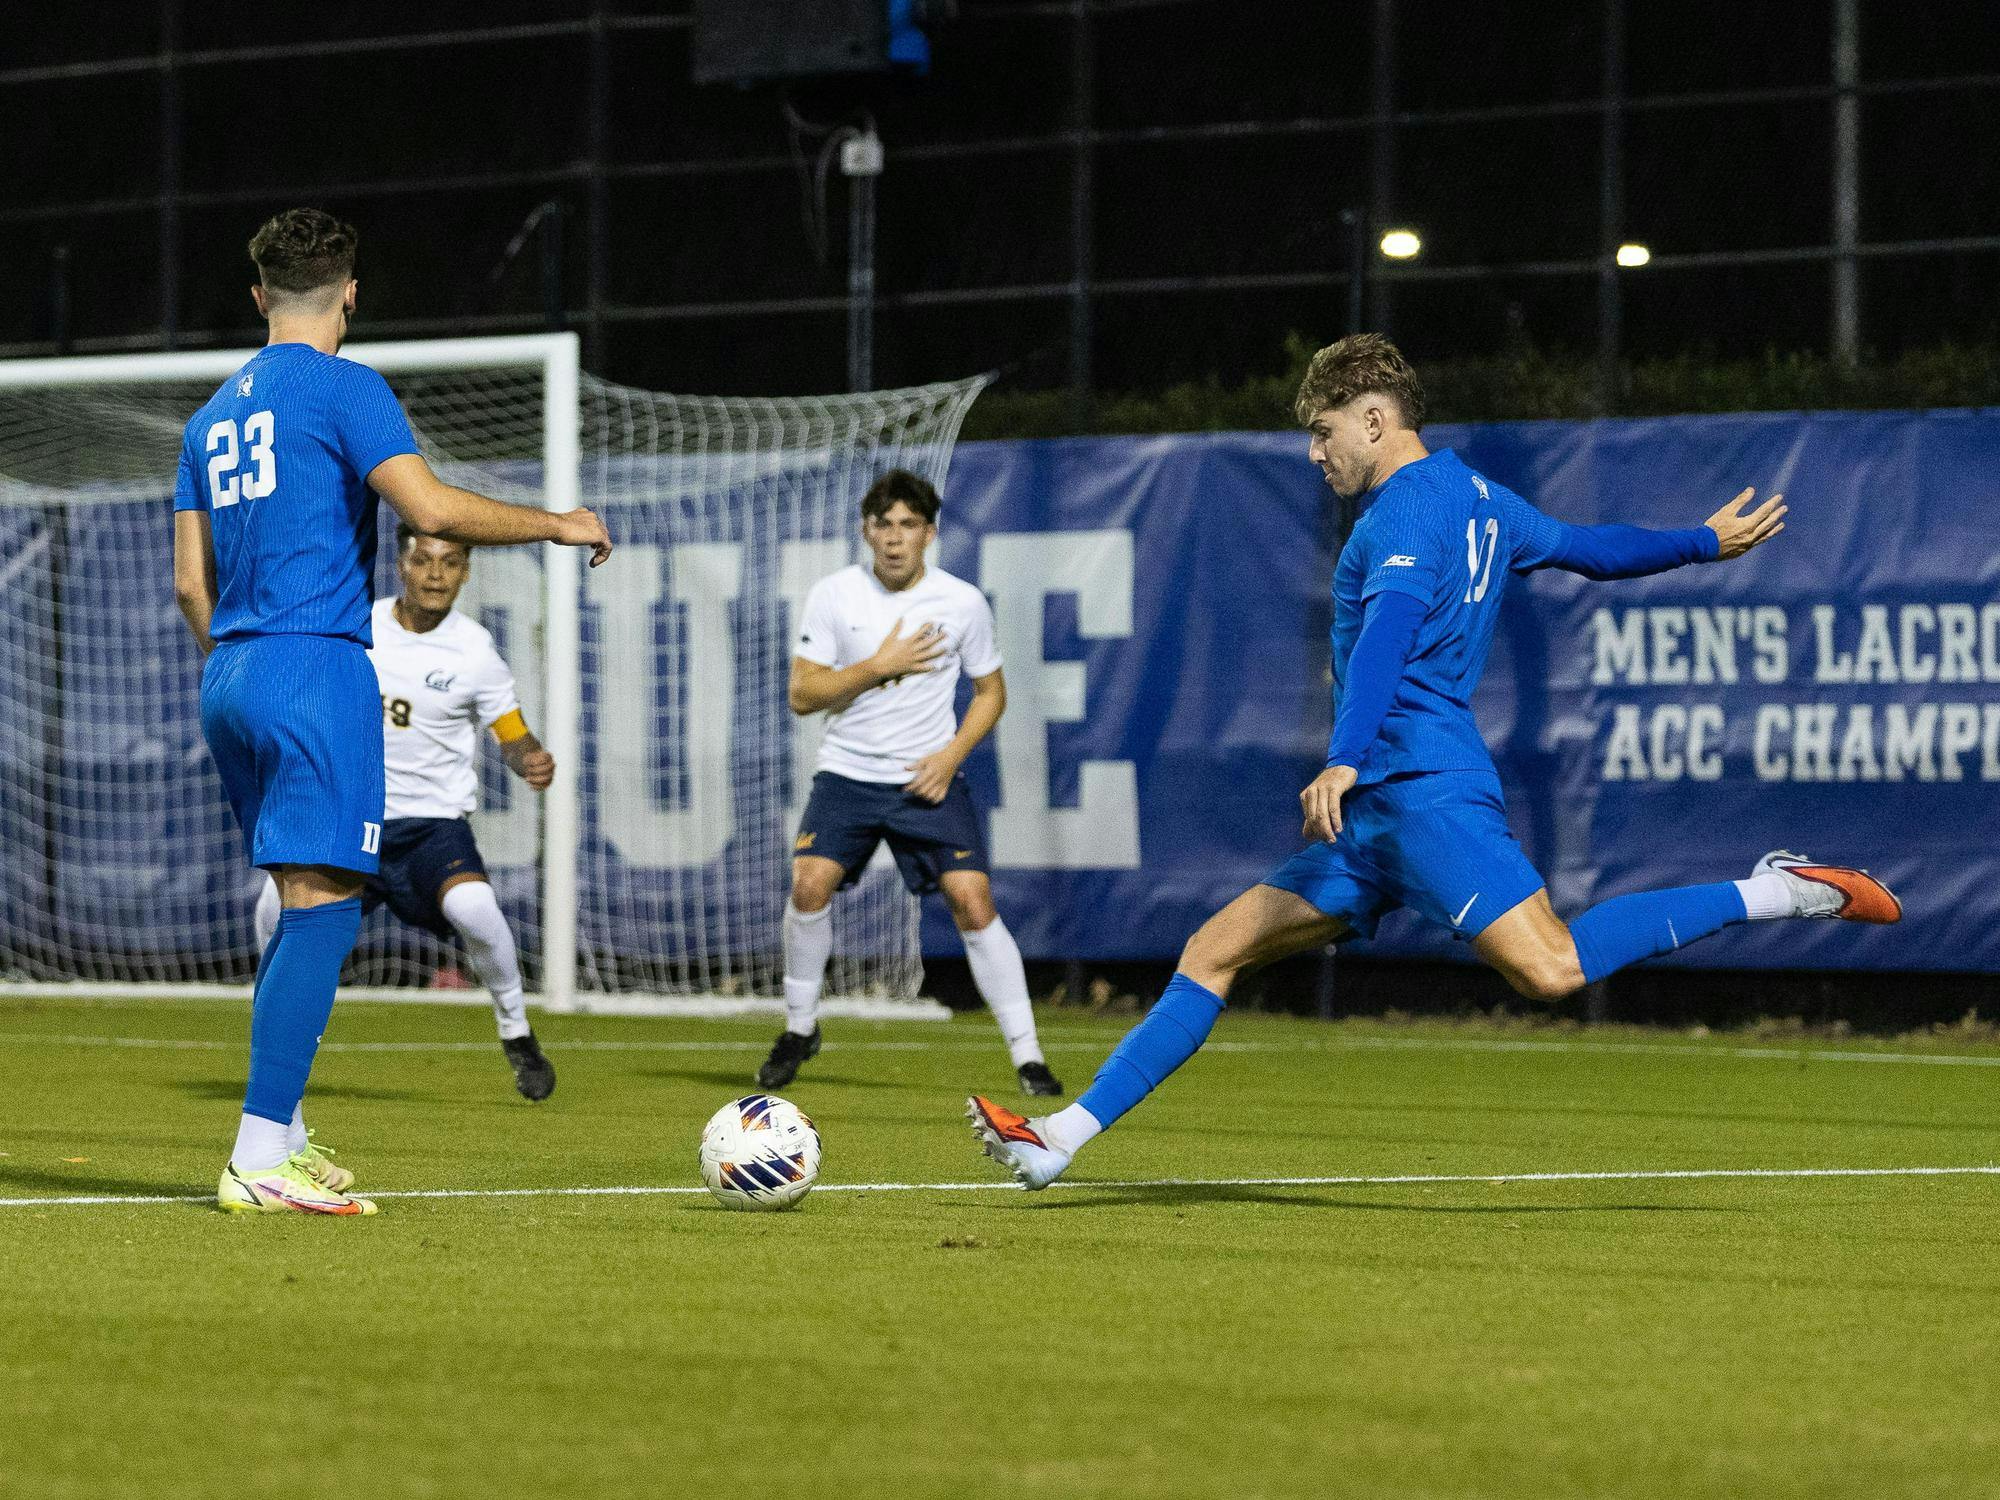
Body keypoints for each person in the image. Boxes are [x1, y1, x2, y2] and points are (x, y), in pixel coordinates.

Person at [968, 333, 1900, 1188]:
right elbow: (1589, 549)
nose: (1315, 451)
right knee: (1215, 950)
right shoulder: (1479, 498)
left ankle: (1777, 890)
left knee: (1553, 971)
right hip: (1371, 813)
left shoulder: (1404, 515)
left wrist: (1341, 757)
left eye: (1324, 431)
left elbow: (1389, 633)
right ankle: (1062, 1139)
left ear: (1375, 420)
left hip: (1418, 793)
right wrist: (1699, 541)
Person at [173, 207, 610, 1216]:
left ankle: (279, 1134)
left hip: (229, 673)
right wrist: (556, 522)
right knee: (327, 909)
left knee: (296, 899)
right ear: (351, 294)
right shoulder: (346, 389)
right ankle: (256, 1156)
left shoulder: (207, 420)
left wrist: (241, 672)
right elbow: (432, 512)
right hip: (314, 667)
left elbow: (190, 586)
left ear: (258, 296)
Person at [761, 468, 1060, 1096]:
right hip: (847, 773)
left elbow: (991, 693)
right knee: (809, 885)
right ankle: (798, 1027)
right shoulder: (835, 594)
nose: (895, 539)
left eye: (908, 526)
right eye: (884, 525)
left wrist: (950, 756)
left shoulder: (961, 601)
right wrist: (878, 666)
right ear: (867, 532)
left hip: (928, 776)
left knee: (973, 902)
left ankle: (1029, 1057)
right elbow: (802, 693)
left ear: (929, 533)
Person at [254, 525, 557, 1102]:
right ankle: (272, 1030)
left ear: (466, 572)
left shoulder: (475, 650)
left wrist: (529, 758)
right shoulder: (356, 626)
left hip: (432, 826)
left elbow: (510, 732)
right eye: (423, 560)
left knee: (475, 907)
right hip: (352, 815)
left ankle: (516, 1030)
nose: (435, 574)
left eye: (449, 562)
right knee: (273, 907)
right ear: (401, 565)